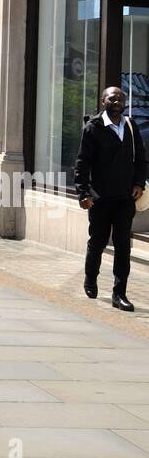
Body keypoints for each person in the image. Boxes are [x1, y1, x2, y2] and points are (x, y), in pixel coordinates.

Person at [75, 85, 146, 311]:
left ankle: (119, 293)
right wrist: (83, 193)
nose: (118, 102)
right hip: (100, 197)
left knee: (123, 246)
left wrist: (138, 183)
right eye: (113, 99)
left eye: (121, 99)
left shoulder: (131, 127)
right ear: (103, 100)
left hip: (125, 197)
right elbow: (82, 163)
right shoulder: (93, 127)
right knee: (98, 241)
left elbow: (141, 160)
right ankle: (90, 279)